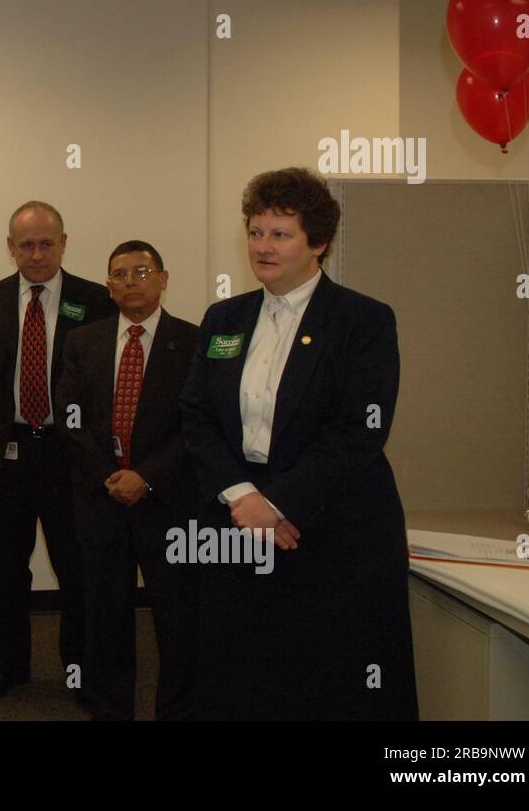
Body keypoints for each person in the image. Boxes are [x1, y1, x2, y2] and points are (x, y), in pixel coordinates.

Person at [178, 167, 417, 720]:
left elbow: (360, 427)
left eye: (280, 234)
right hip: (239, 521)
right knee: (245, 673)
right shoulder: (224, 318)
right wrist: (242, 497)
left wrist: (277, 502)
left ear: (319, 242)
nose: (263, 246)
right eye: (255, 231)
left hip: (334, 528)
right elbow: (196, 414)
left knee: (331, 682)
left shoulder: (363, 320)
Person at [0, 201, 113, 703]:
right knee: (3, 572)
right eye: (27, 244)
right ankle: (8, 668)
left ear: (64, 243)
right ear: (10, 248)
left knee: (77, 571)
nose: (38, 254)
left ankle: (80, 671)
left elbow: (103, 386)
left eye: (48, 243)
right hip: (4, 457)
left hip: (71, 458)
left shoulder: (96, 300)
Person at [56, 241, 200, 720]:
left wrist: (147, 476)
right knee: (105, 616)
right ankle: (111, 708)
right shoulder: (83, 342)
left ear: (163, 278)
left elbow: (198, 424)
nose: (131, 281)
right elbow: (69, 417)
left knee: (177, 619)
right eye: (120, 274)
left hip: (170, 501)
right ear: (109, 287)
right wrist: (109, 478)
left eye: (142, 271)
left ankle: (176, 711)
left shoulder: (194, 342)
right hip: (102, 500)